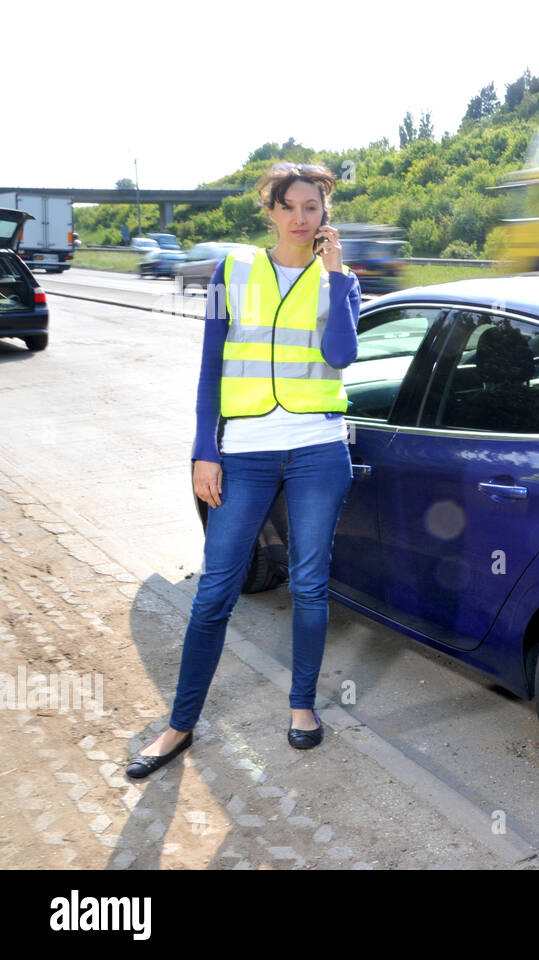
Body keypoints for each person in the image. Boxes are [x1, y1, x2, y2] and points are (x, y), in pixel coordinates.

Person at [125, 162, 361, 778]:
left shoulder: (342, 280)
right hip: (245, 450)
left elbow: (340, 355)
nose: (301, 218)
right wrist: (204, 450)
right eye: (290, 206)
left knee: (309, 585)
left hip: (317, 448)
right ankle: (179, 725)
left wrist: (334, 278)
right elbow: (210, 369)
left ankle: (302, 707)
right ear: (272, 211)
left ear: (324, 214)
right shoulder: (233, 271)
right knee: (215, 591)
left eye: (313, 207)